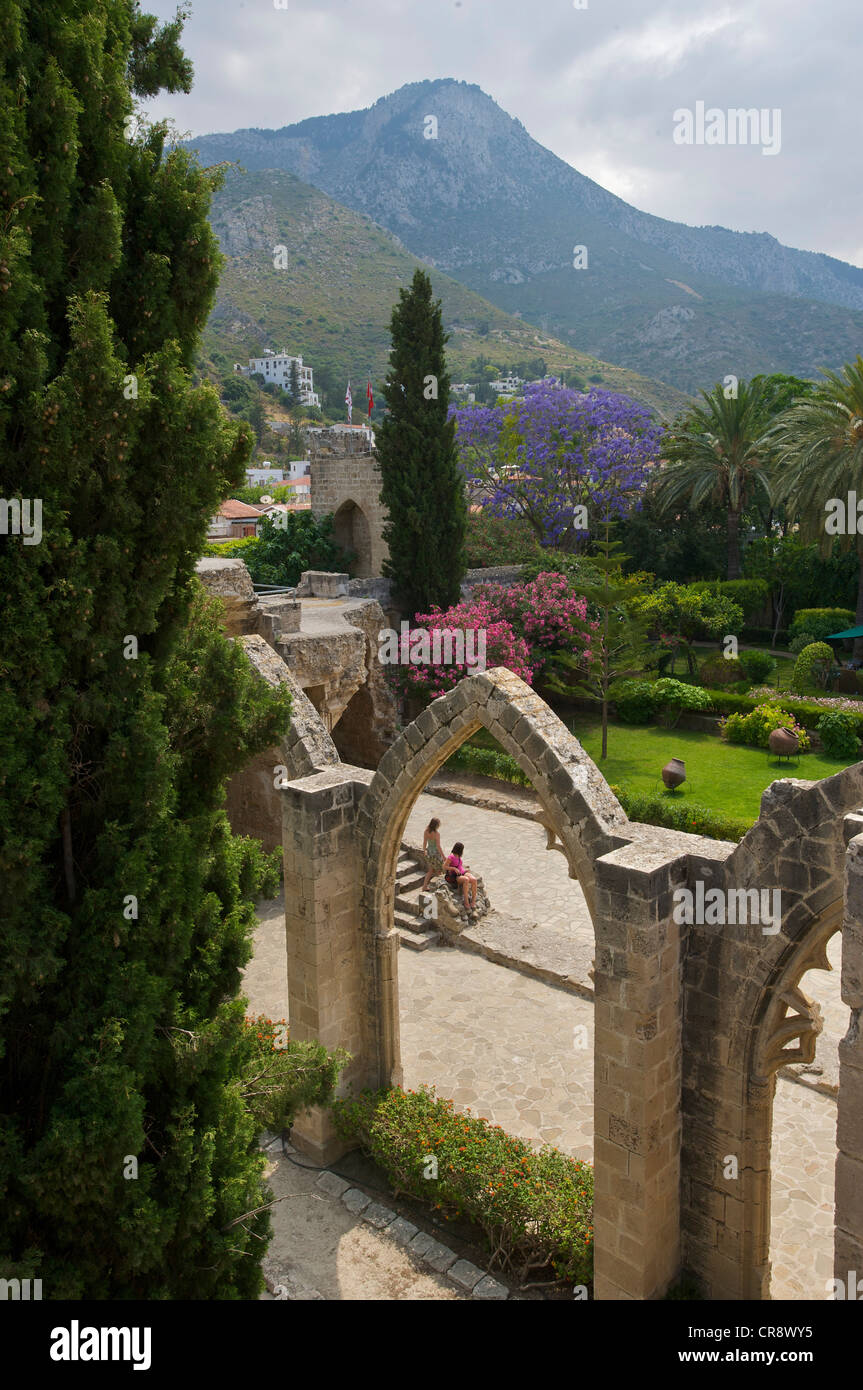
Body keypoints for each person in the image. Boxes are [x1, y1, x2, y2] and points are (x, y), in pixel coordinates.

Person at [444, 841, 478, 912]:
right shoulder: (451, 857)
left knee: (474, 880)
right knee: (466, 880)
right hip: (455, 875)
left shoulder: (458, 856)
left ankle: (473, 901)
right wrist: (453, 868)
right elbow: (444, 866)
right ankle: (466, 901)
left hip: (462, 872)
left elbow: (460, 866)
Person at [420, 817, 444, 893]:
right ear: (436, 825)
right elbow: (438, 846)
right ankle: (438, 889)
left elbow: (424, 842)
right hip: (436, 854)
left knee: (430, 871)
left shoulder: (426, 831)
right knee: (439, 871)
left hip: (429, 852)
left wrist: (424, 851)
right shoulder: (437, 834)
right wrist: (443, 856)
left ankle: (424, 887)